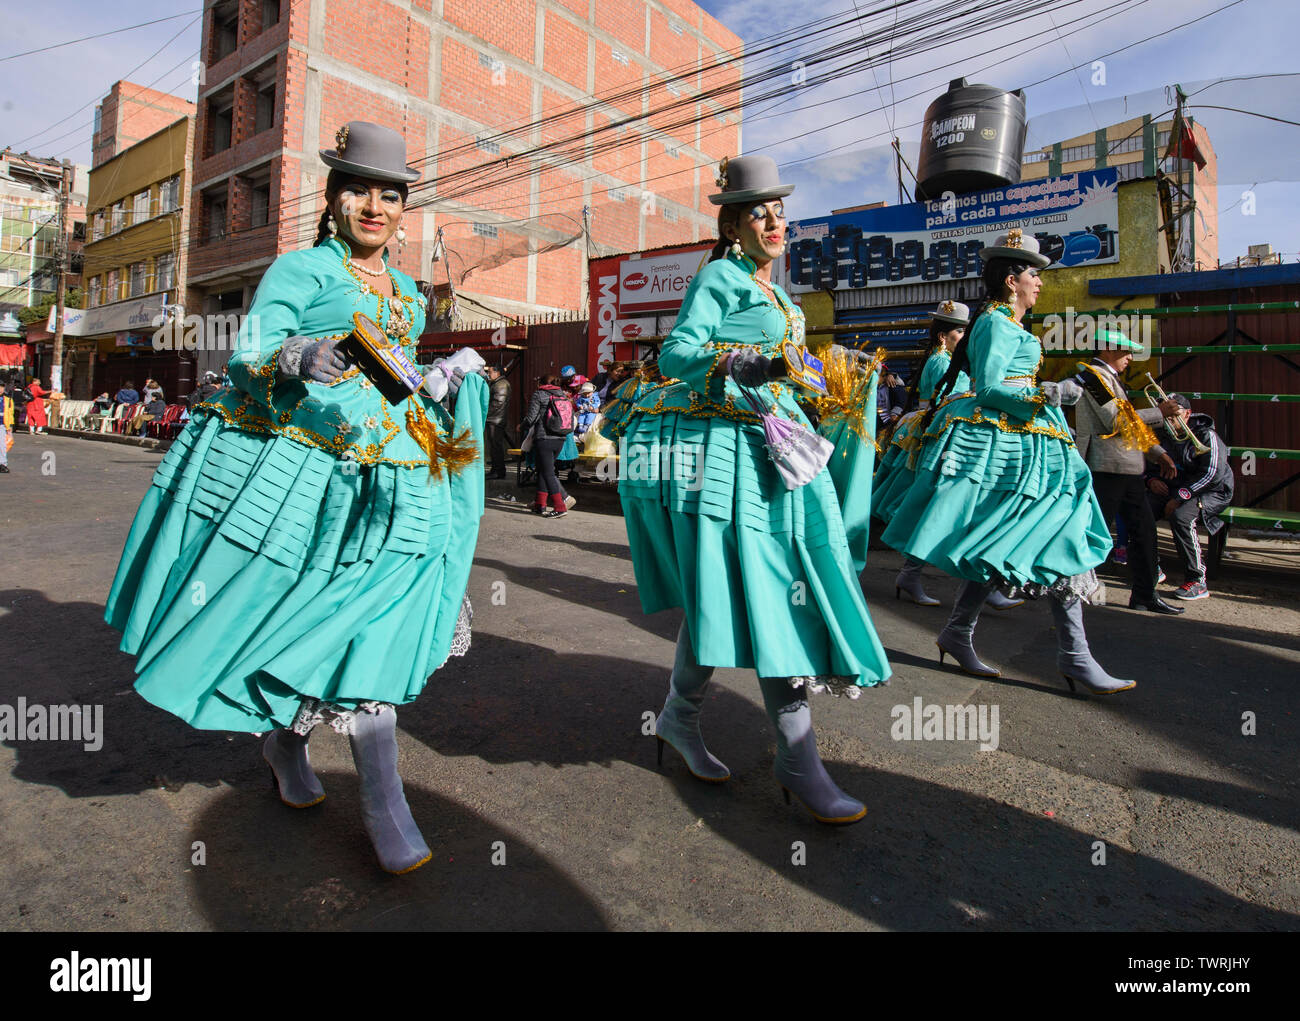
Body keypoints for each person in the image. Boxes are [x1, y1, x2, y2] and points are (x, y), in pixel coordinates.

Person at [103, 121, 488, 875]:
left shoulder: (409, 292)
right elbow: (249, 355)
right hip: (310, 476)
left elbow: (391, 373)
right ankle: (326, 764)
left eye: (389, 193)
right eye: (358, 189)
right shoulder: (303, 270)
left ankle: (318, 759)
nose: (373, 205)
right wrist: (296, 354)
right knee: (308, 612)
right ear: (334, 196)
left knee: (374, 612)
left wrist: (437, 380)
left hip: (398, 478)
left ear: (404, 208)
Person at [613, 155, 890, 824]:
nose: (774, 221)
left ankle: (678, 718)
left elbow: (783, 366)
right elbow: (679, 352)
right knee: (770, 589)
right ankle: (797, 757)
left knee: (735, 591)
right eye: (758, 212)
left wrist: (825, 372)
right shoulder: (719, 277)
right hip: (734, 456)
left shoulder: (776, 293)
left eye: (779, 211)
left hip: (780, 450)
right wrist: (733, 361)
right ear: (733, 224)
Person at [881, 229, 1134, 695]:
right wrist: (1051, 392)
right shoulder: (997, 323)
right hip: (1010, 448)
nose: (1040, 283)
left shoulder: (1005, 322)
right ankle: (1073, 656)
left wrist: (1049, 396)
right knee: (1056, 534)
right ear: (1013, 278)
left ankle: (959, 633)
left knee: (1009, 542)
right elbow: (991, 388)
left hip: (1026, 444)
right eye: (1034, 274)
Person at [873, 301, 1022, 611]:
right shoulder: (942, 363)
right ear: (944, 337)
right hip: (943, 435)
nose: (963, 337)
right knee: (945, 508)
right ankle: (979, 583)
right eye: (959, 331)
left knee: (938, 508)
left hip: (939, 432)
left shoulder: (942, 359)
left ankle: (917, 576)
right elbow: (948, 403)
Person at [1072, 330, 1185, 616]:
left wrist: (1158, 453)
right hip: (1106, 467)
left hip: (1126, 467)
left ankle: (1145, 595)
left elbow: (1129, 424)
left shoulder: (1106, 377)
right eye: (1125, 352)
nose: (1130, 358)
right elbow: (1116, 420)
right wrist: (1158, 412)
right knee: (1094, 533)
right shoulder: (1091, 376)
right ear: (1108, 349)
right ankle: (1070, 591)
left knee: (1144, 531)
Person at [1145, 394, 1233, 600]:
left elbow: (1213, 474)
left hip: (1210, 491)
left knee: (1181, 517)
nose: (1168, 421)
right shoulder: (1160, 433)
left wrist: (1180, 497)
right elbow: (1147, 464)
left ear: (1187, 414)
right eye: (1166, 416)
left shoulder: (1206, 435)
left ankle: (1197, 580)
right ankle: (1151, 568)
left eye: (1174, 416)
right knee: (1141, 509)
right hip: (1174, 486)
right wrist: (1150, 480)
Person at [521, 374, 577, 517]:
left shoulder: (539, 394)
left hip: (544, 438)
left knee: (547, 473)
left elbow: (531, 418)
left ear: (541, 383)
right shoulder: (564, 396)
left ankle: (560, 507)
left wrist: (521, 426)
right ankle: (540, 504)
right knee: (542, 469)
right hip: (560, 438)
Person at [484, 364, 510, 479]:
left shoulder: (501, 385)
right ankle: (496, 469)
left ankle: (498, 471)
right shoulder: (497, 383)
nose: (489, 374)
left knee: (496, 446)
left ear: (497, 372)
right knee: (494, 446)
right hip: (494, 419)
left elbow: (497, 404)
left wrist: (484, 414)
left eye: (490, 372)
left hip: (495, 419)